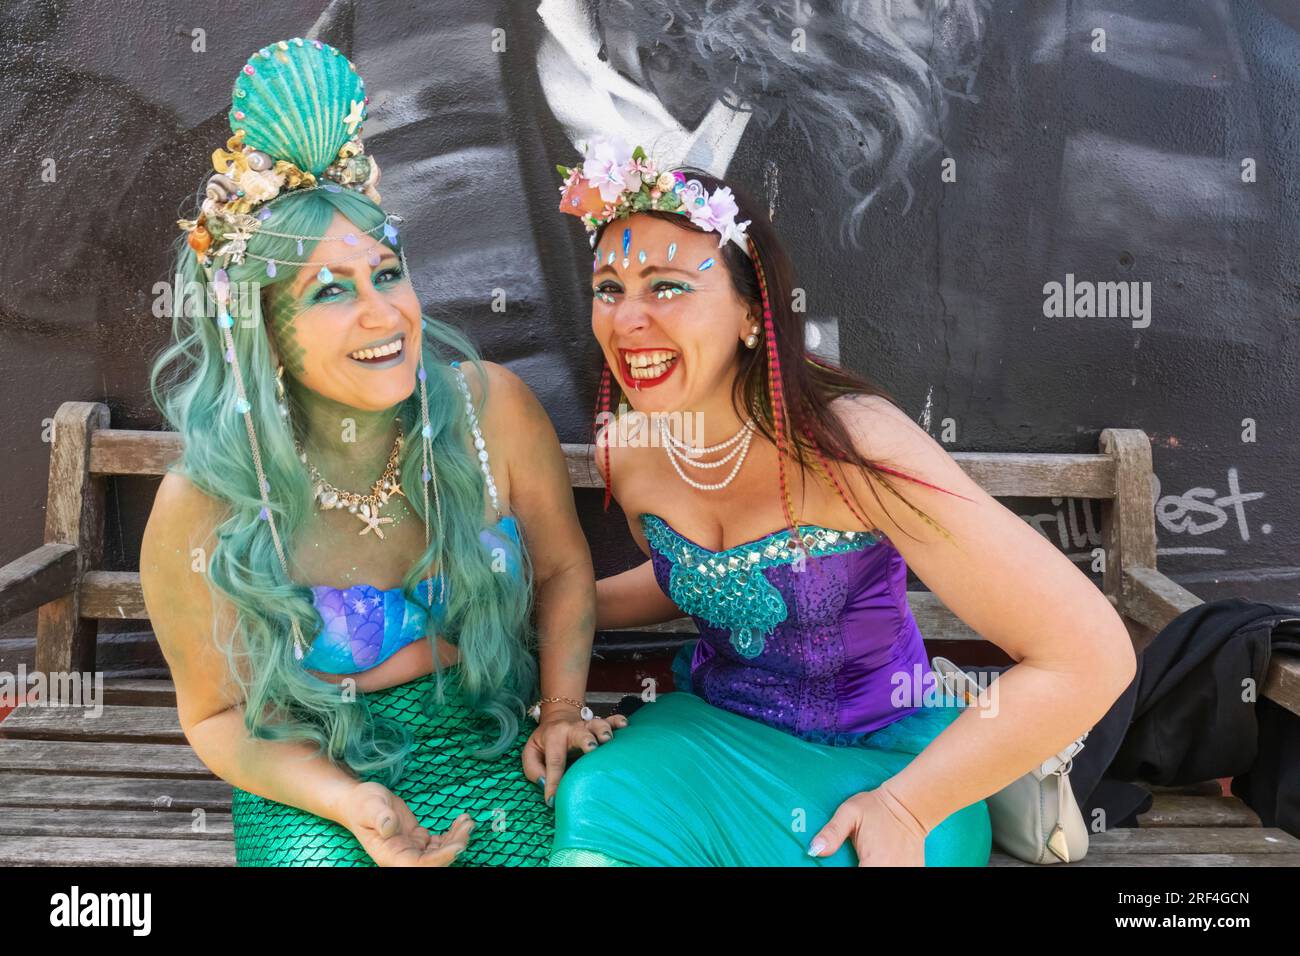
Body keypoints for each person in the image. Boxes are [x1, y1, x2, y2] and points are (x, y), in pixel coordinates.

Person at [544, 138, 1138, 866]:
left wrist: (906, 808)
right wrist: (545, 604)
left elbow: (1089, 655)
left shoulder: (854, 447)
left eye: (666, 286)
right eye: (609, 289)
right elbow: (702, 577)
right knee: (598, 798)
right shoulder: (629, 448)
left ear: (752, 313)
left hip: (888, 767)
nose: (626, 319)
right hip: (712, 737)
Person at [140, 37, 623, 867]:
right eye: (332, 291)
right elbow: (217, 717)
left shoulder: (491, 412)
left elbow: (562, 571)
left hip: (492, 741)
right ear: (264, 334)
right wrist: (350, 802)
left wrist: (557, 713)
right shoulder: (208, 498)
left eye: (388, 273)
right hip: (318, 772)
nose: (384, 314)